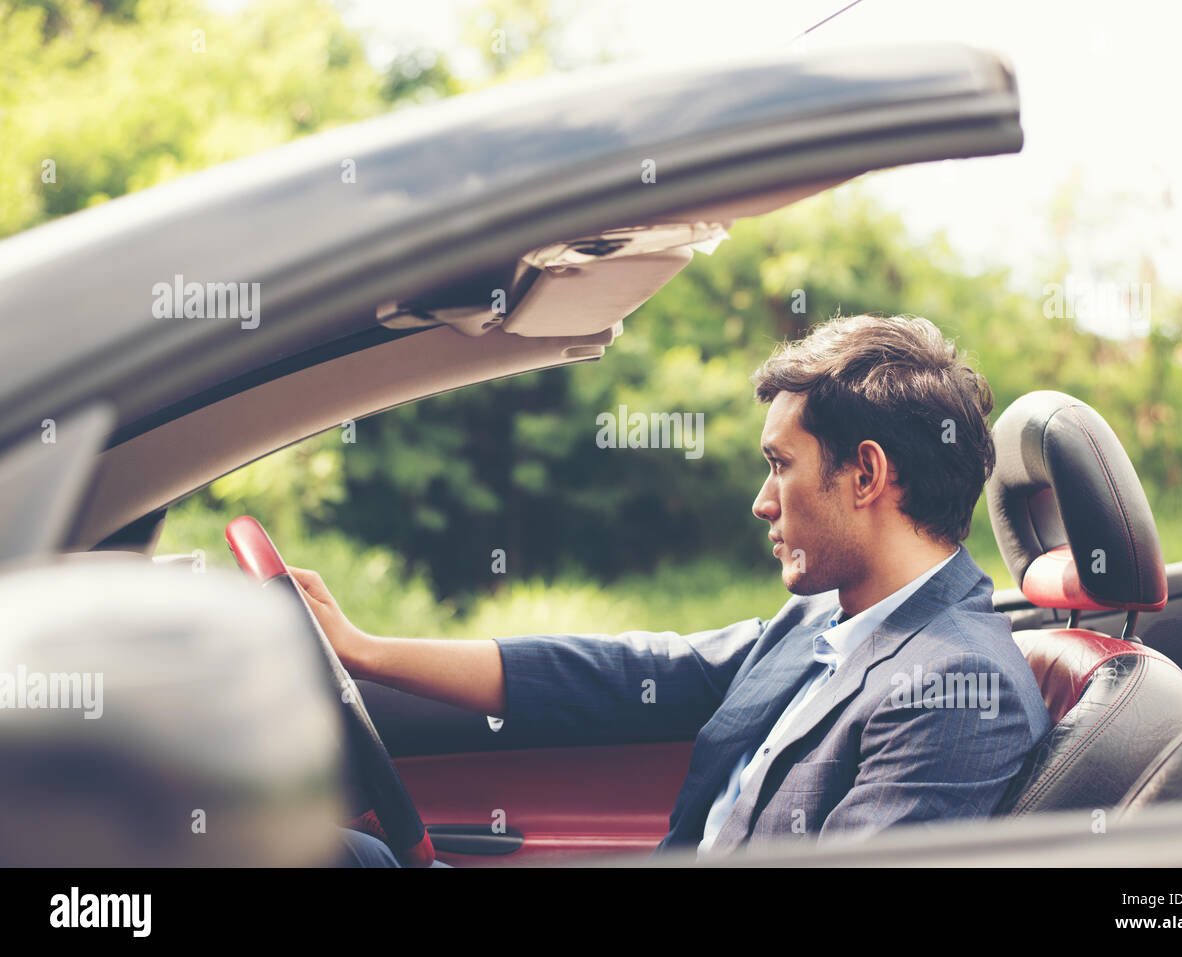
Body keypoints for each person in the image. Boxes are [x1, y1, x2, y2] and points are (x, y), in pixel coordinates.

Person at [297, 314, 1051, 865]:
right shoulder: (826, 619)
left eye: (780, 464)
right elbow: (634, 677)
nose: (762, 501)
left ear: (866, 475)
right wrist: (363, 650)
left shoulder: (955, 684)